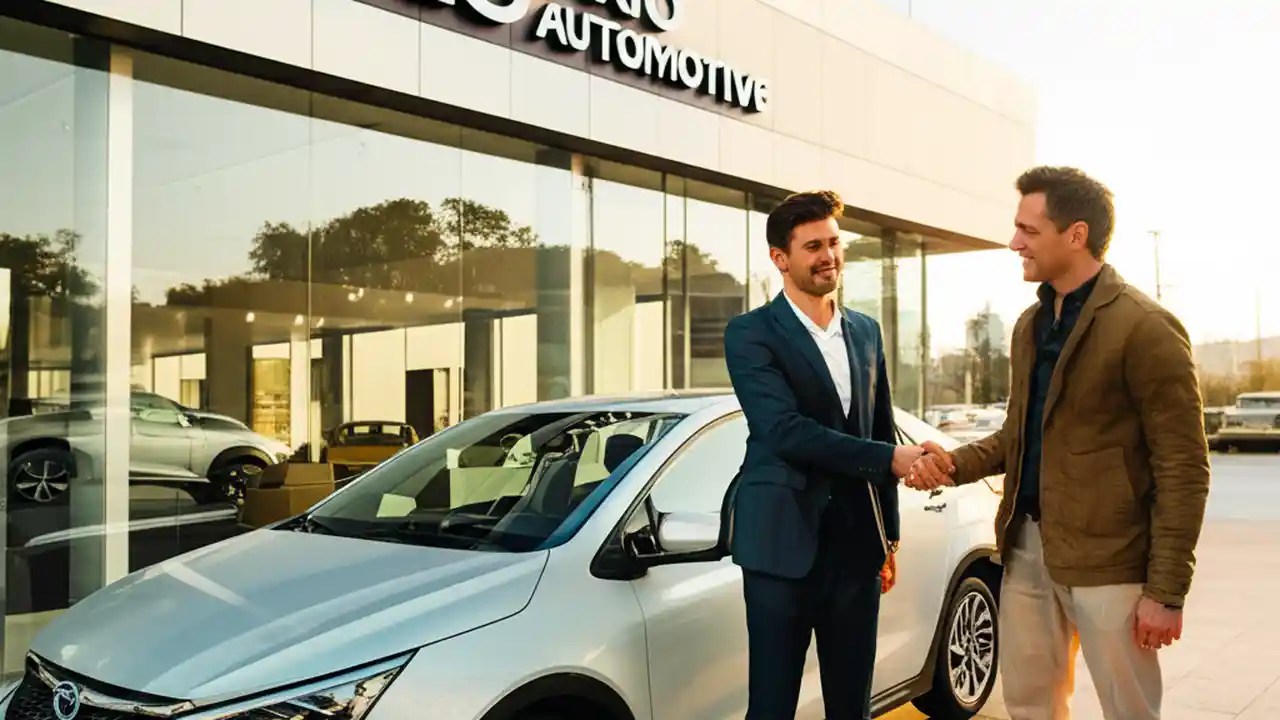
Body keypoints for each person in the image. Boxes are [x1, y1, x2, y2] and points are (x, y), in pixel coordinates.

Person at [907, 166, 1211, 720]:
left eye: (1029, 229)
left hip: (1112, 562)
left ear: (1075, 235)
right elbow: (1016, 437)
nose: (1014, 242)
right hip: (1026, 549)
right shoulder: (1029, 325)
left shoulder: (1146, 328)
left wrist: (1165, 592)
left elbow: (1184, 468)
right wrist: (949, 463)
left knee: (1130, 711)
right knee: (1029, 705)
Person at [722, 190, 925, 720]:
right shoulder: (750, 334)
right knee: (771, 705)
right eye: (813, 245)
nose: (828, 255)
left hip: (857, 549)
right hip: (780, 547)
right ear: (780, 258)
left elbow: (880, 425)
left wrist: (890, 535)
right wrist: (889, 460)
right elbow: (784, 430)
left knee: (851, 704)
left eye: (834, 242)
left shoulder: (866, 331)